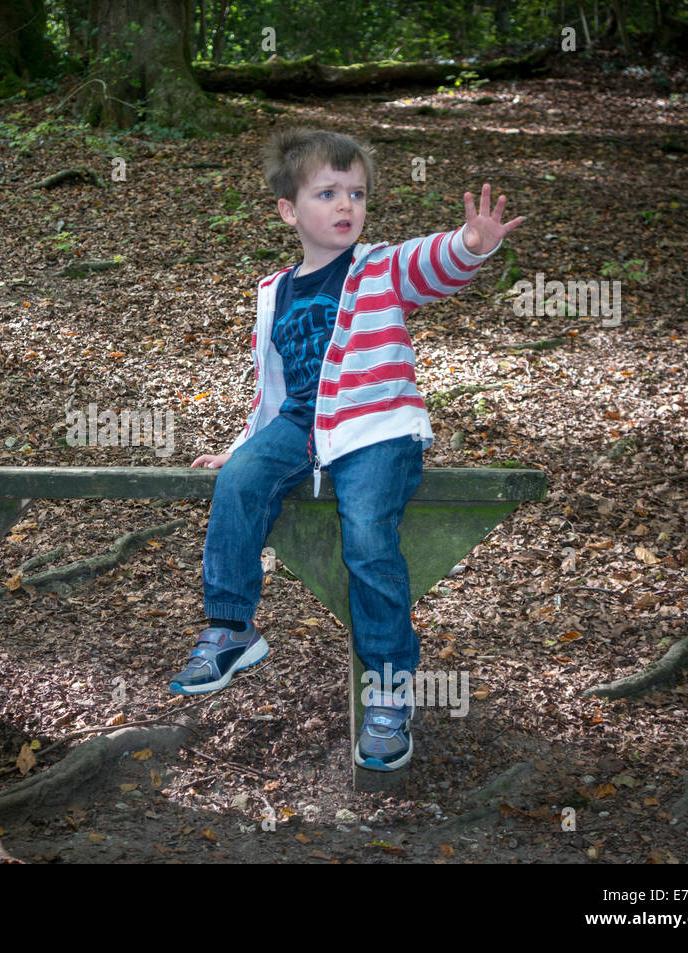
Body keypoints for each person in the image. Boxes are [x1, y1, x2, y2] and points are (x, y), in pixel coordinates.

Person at [168, 127, 523, 772]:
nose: (345, 206)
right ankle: (231, 628)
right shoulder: (273, 292)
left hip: (377, 427)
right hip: (300, 422)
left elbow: (431, 263)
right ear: (288, 210)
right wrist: (247, 447)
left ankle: (389, 690)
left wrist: (471, 244)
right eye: (327, 193)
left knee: (366, 538)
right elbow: (272, 387)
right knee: (239, 482)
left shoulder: (377, 268)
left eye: (356, 194)